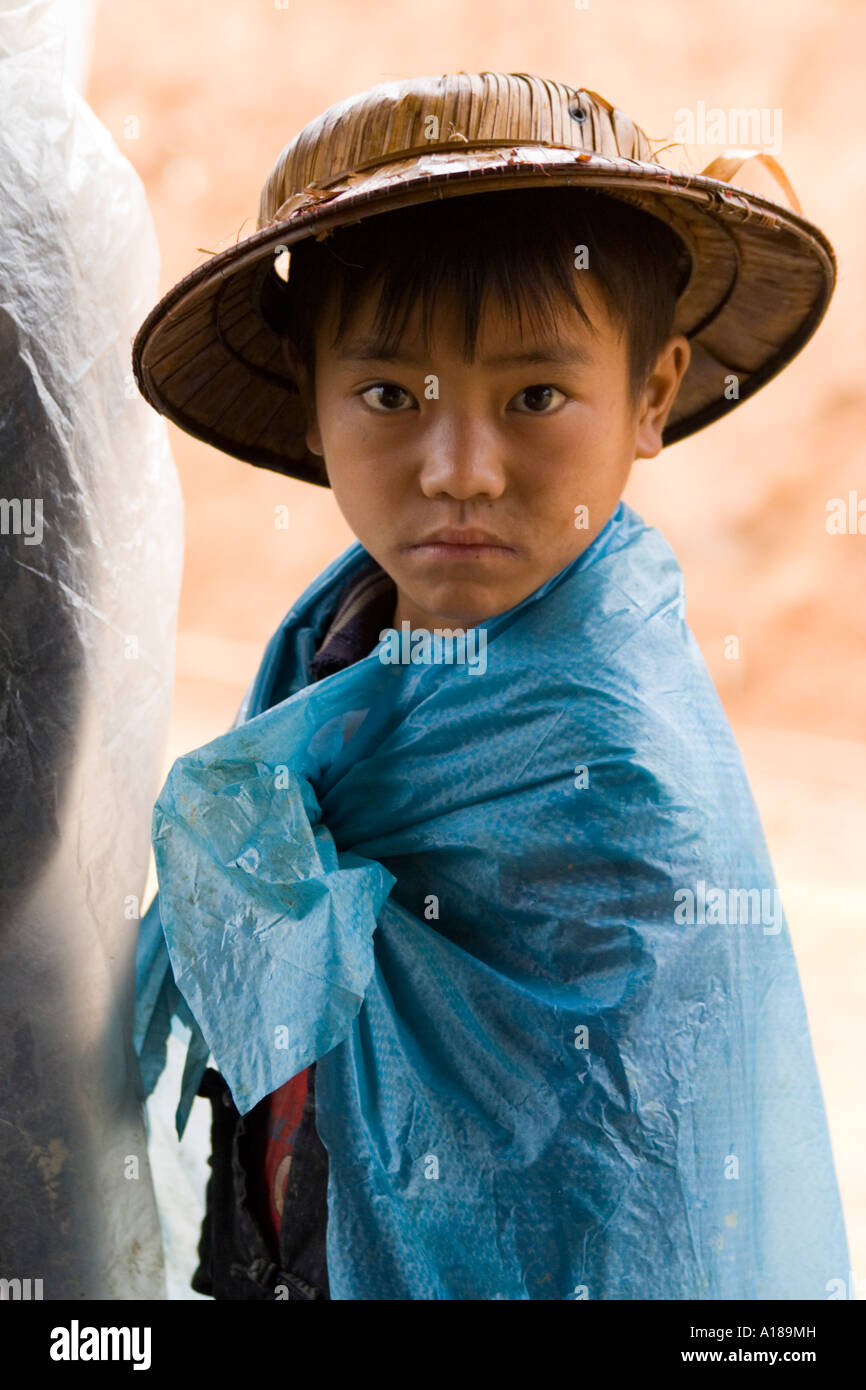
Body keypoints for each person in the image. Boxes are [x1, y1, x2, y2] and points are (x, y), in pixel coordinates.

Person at [132, 73, 849, 1300]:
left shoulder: (618, 768)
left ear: (652, 395)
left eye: (533, 396)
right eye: (388, 396)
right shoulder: (329, 649)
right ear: (309, 398)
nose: (459, 469)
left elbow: (628, 1208)